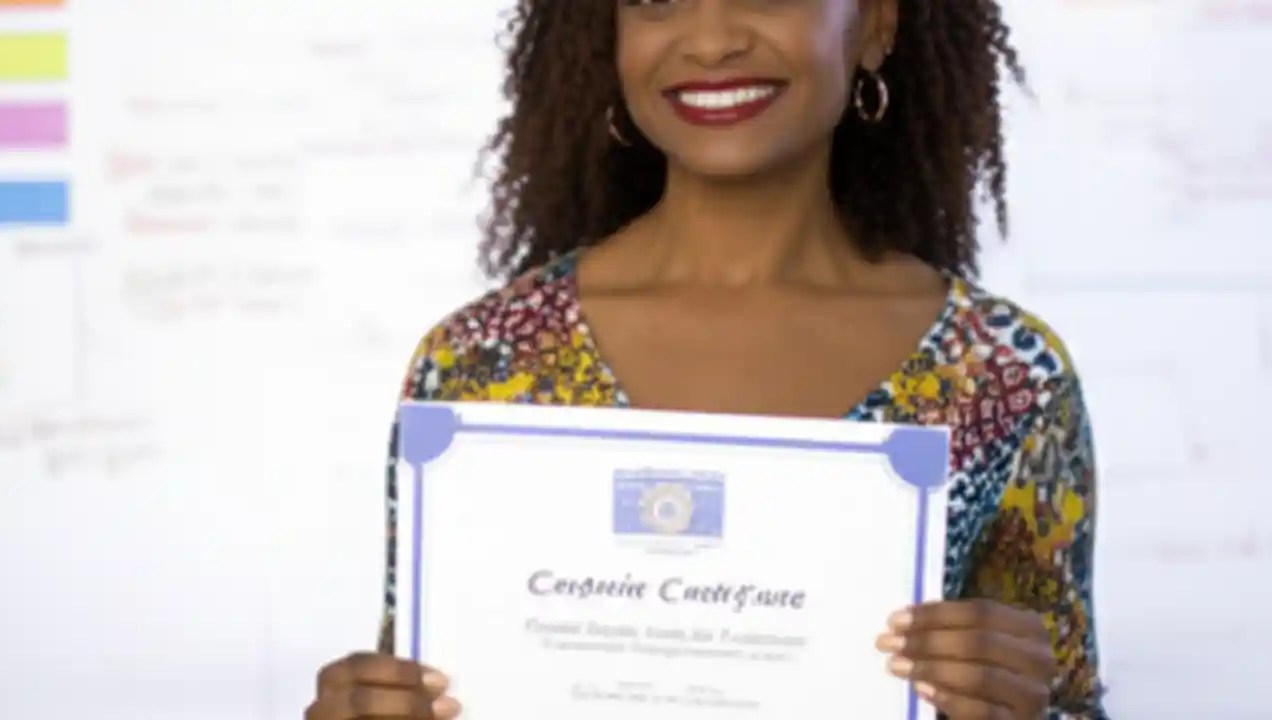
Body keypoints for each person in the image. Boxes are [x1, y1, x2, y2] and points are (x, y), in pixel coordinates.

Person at [305, 0, 1107, 718]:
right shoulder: (478, 366)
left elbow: (1071, 700)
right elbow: (430, 686)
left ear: (875, 24)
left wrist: (1023, 710)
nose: (713, 38)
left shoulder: (1004, 375)